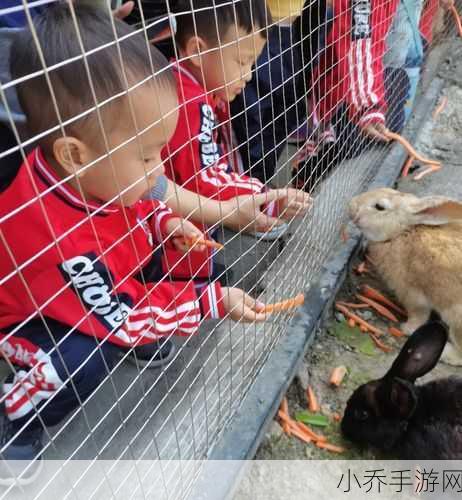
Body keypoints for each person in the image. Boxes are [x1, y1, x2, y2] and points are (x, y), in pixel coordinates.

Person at [0, 3, 268, 484]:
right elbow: (118, 316)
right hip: (42, 312)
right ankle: (17, 423)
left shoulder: (96, 177)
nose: (159, 171)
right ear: (75, 155)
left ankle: (158, 323)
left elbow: (138, 203)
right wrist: (208, 302)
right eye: (146, 156)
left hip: (102, 284)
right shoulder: (59, 237)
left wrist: (165, 223)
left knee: (194, 251)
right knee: (82, 358)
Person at [163, 0, 311, 243]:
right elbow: (204, 179)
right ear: (197, 51)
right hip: (183, 242)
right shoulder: (192, 104)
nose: (249, 74)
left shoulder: (187, 85)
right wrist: (269, 201)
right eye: (242, 62)